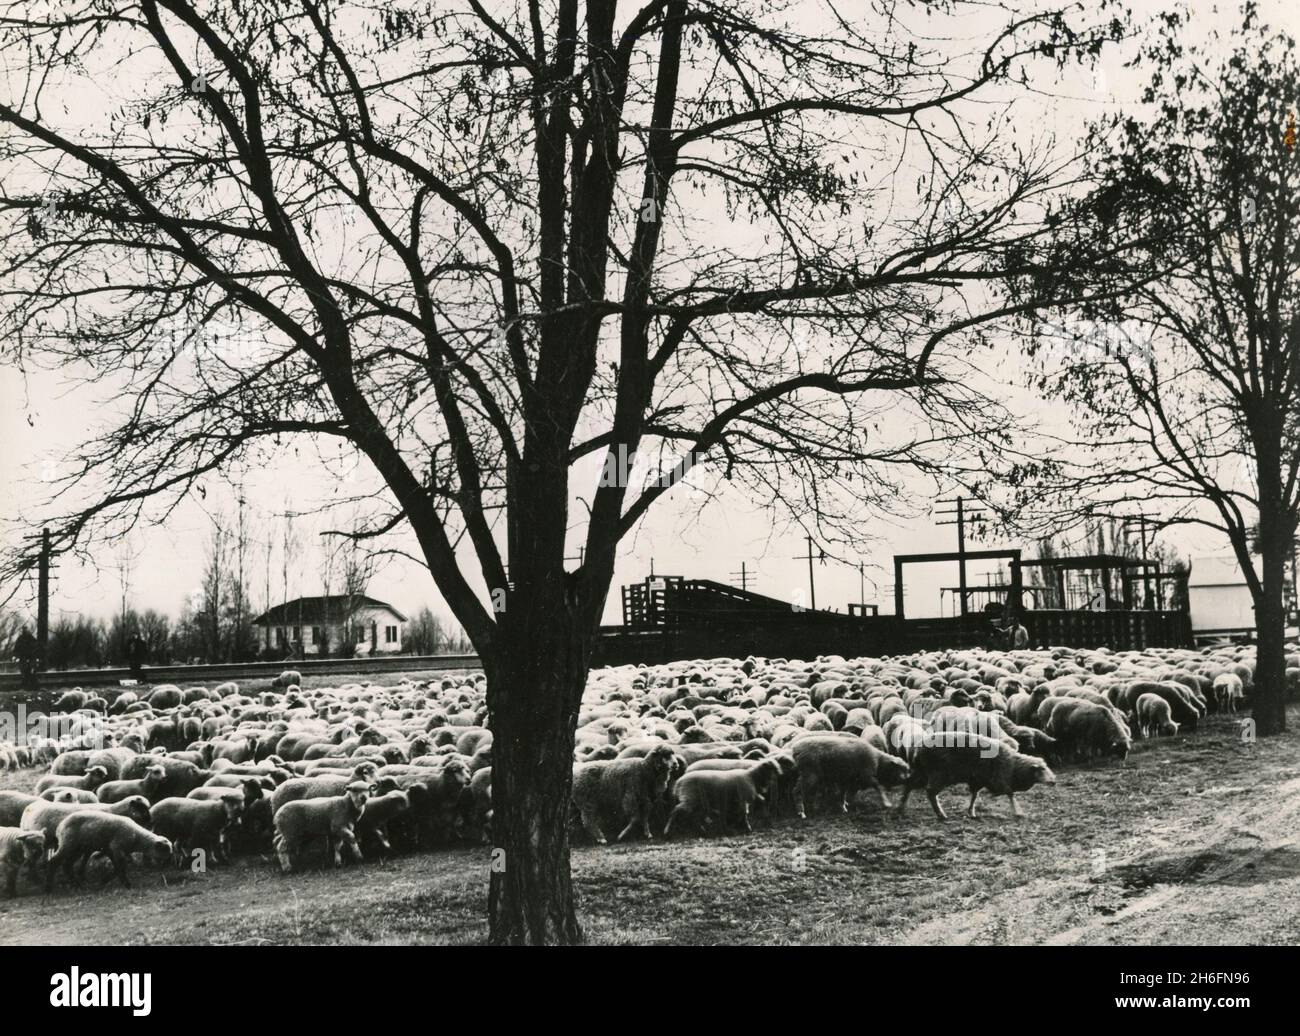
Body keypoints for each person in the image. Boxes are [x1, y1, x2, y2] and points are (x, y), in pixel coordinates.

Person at [13, 626, 39, 693]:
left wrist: (33, 656)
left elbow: (36, 647)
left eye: (26, 629)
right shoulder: (20, 638)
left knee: (31, 672)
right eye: (23, 629)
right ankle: (26, 687)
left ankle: (33, 687)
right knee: (24, 672)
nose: (25, 631)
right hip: (23, 658)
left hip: (31, 658)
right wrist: (16, 656)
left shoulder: (31, 638)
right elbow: (16, 648)